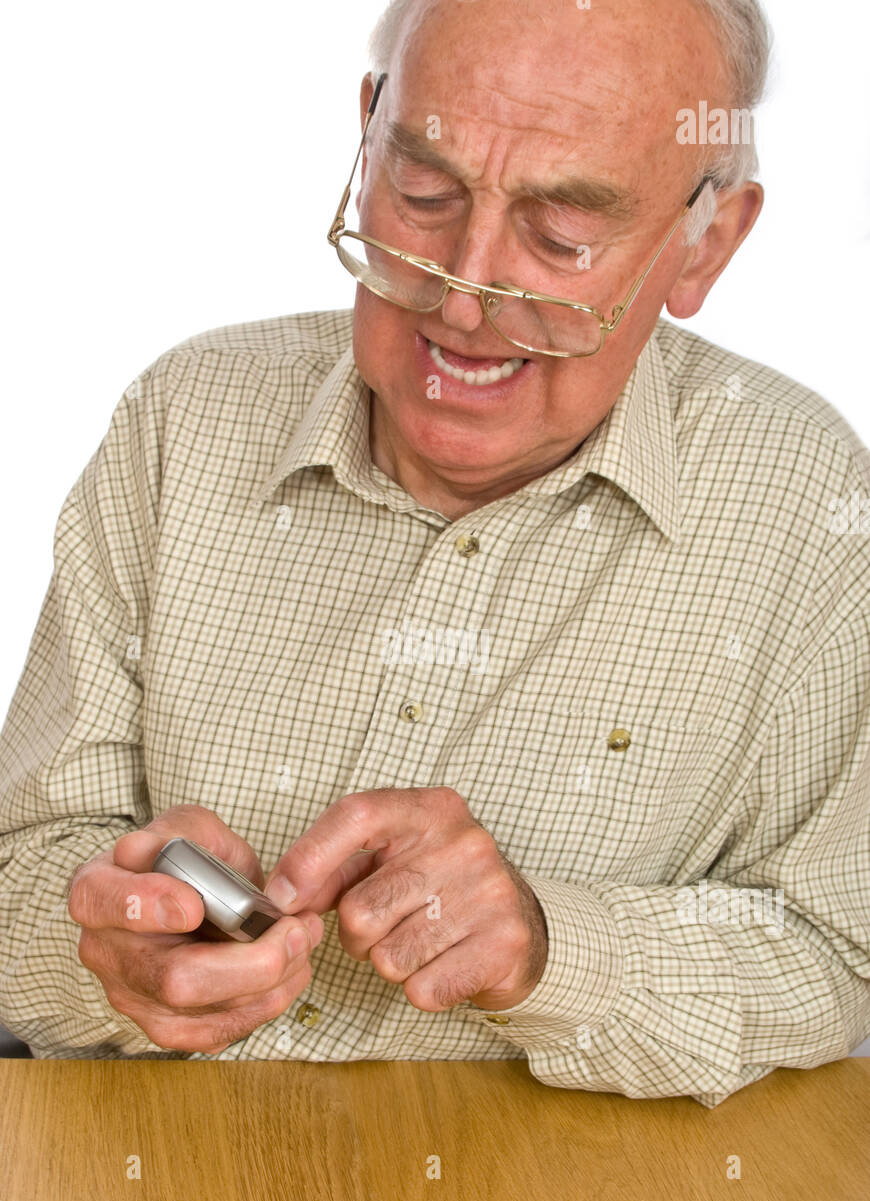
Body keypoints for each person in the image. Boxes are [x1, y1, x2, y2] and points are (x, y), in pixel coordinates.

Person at [0, 0, 868, 1107]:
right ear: (366, 138)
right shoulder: (185, 418)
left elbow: (839, 961)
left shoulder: (811, 502)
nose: (463, 296)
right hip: (153, 1176)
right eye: (424, 191)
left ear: (707, 242)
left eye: (563, 232)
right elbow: (18, 877)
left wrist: (551, 948)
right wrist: (107, 945)